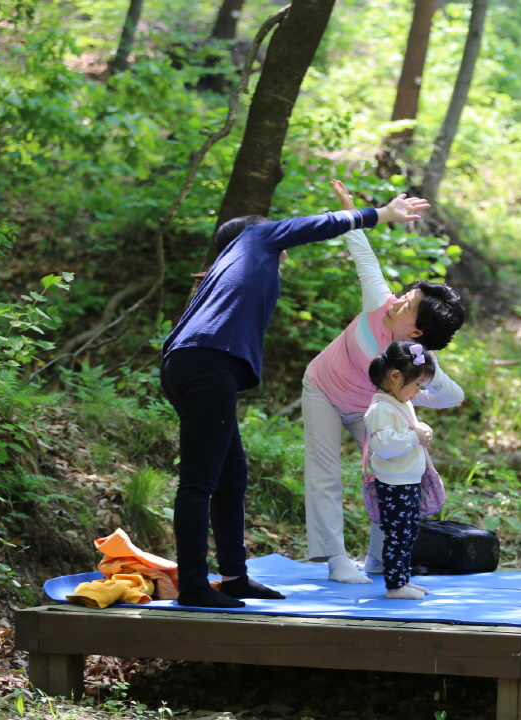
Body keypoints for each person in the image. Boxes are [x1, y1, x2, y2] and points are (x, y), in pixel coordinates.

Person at [160, 186, 429, 608]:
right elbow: (315, 226)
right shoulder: (255, 238)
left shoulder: (237, 269)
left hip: (200, 366)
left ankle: (234, 578)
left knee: (231, 478)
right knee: (200, 481)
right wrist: (383, 213)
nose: (279, 236)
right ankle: (193, 586)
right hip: (206, 364)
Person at [303, 180, 465, 584]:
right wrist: (351, 212)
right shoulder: (380, 304)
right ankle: (336, 559)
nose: (398, 301)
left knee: (392, 470)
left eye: (407, 305)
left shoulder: (419, 360)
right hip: (323, 389)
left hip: (370, 407)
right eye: (406, 295)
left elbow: (453, 396)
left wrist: (416, 390)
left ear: (417, 333)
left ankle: (380, 558)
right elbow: (365, 258)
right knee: (325, 473)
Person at [363, 339, 439, 599]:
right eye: (417, 384)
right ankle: (395, 586)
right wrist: (414, 436)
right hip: (394, 483)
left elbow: (404, 432)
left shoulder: (399, 401)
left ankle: (403, 580)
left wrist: (419, 431)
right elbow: (384, 445)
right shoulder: (380, 408)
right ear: (395, 376)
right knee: (397, 534)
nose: (418, 391)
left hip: (407, 479)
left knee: (408, 532)